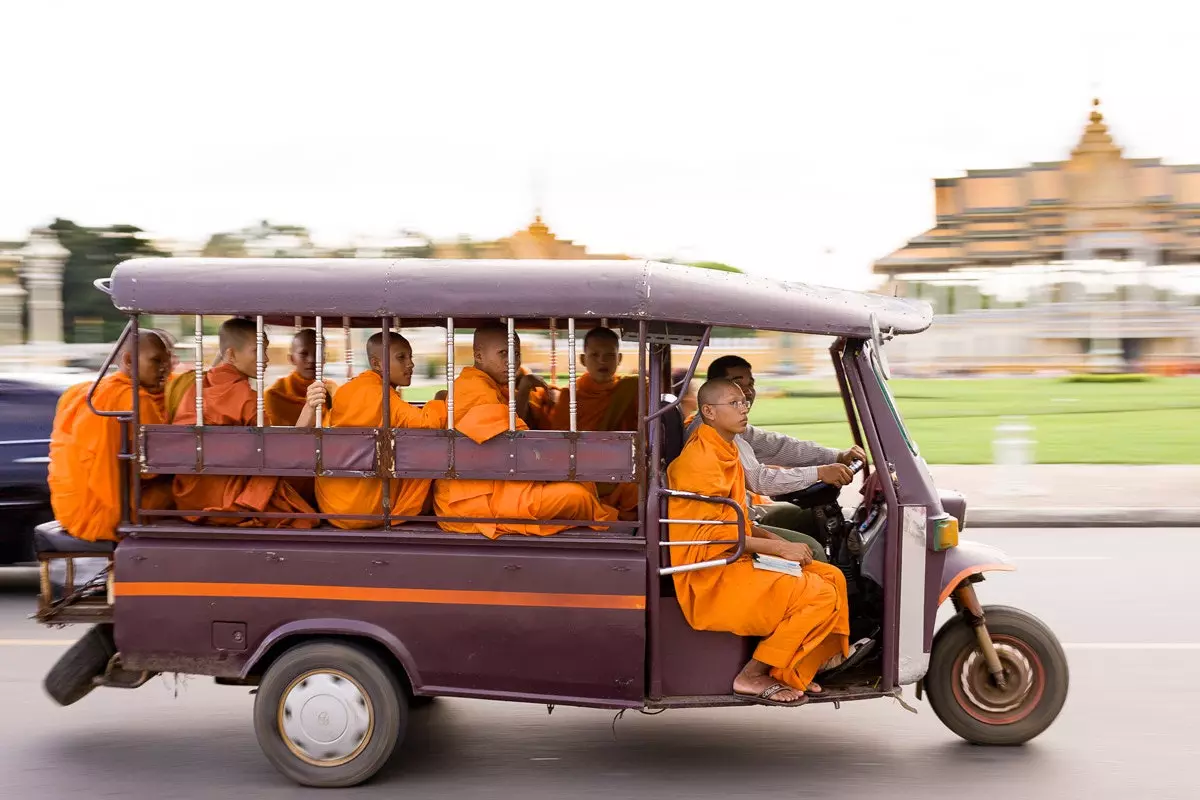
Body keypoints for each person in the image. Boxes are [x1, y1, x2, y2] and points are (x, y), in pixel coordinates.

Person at [668, 378, 870, 706]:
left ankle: (800, 668)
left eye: (744, 401)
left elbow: (736, 520)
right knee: (817, 593)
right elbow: (711, 536)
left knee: (829, 575)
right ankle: (752, 674)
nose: (744, 406)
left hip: (732, 555)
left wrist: (772, 538)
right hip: (709, 574)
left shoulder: (725, 446)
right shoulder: (700, 463)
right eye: (733, 402)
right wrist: (779, 548)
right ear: (709, 411)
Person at [432, 323, 622, 537]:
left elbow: (511, 438)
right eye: (503, 353)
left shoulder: (490, 388)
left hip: (492, 487)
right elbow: (515, 448)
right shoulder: (477, 392)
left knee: (580, 484)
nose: (512, 361)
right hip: (475, 503)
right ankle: (610, 533)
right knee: (577, 496)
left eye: (516, 354)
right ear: (479, 356)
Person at [689, 355, 865, 546]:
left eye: (751, 384)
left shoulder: (730, 428)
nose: (746, 392)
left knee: (812, 516)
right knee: (813, 549)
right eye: (736, 384)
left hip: (739, 518)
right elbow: (760, 481)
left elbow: (779, 446)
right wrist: (820, 472)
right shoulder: (713, 432)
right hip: (726, 530)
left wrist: (836, 456)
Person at [171, 318, 325, 527]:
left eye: (266, 350)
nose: (266, 358)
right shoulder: (246, 397)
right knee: (305, 518)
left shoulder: (195, 387)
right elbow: (280, 452)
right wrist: (309, 407)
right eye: (257, 351)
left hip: (189, 494)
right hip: (226, 496)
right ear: (232, 355)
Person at [48, 332, 175, 542]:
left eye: (168, 360)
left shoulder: (82, 391)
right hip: (113, 512)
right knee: (192, 492)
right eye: (157, 361)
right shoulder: (135, 400)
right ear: (128, 360)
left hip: (71, 510)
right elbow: (154, 469)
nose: (166, 367)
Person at [317, 332, 447, 529]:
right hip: (364, 510)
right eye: (401, 357)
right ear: (377, 364)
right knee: (432, 453)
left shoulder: (348, 389)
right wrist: (439, 399)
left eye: (411, 357)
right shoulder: (381, 394)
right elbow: (428, 423)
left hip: (332, 506)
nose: (410, 364)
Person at [548, 327, 637, 512]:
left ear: (619, 359)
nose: (602, 361)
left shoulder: (632, 389)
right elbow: (557, 446)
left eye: (609, 355)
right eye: (594, 354)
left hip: (621, 467)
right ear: (583, 359)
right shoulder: (570, 396)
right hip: (582, 469)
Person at [265, 328, 337, 426]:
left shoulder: (331, 390)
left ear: (324, 359)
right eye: (304, 354)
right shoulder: (274, 394)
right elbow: (275, 438)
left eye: (317, 354)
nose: (311, 360)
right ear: (292, 359)